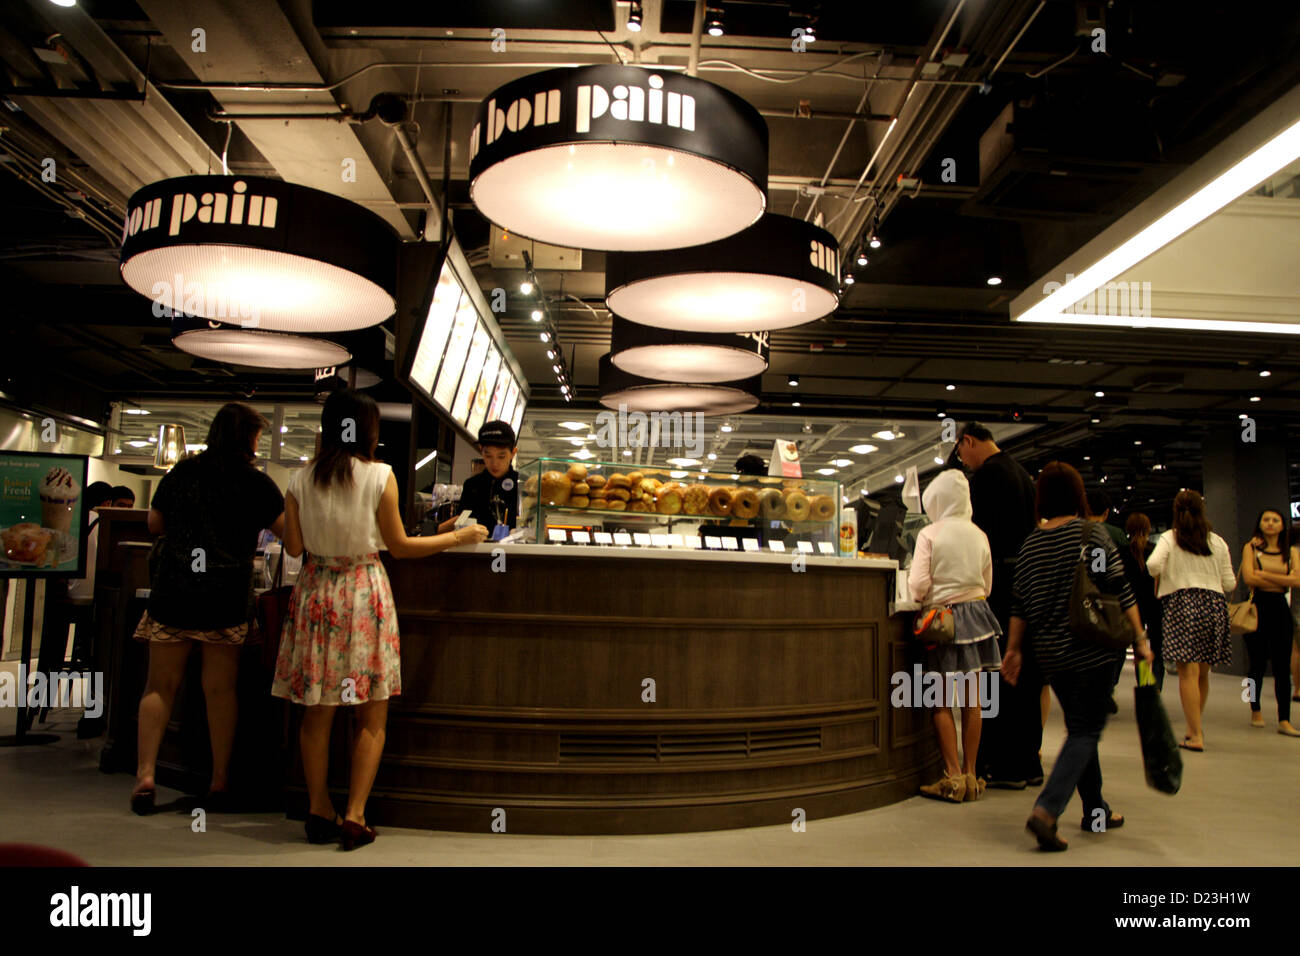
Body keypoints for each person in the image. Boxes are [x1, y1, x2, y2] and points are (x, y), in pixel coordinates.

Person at [272, 389, 488, 850]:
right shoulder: (380, 476)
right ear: (369, 430)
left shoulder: (297, 480)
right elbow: (401, 546)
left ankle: (317, 809)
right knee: (371, 712)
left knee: (316, 712)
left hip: (315, 595)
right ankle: (354, 816)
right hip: (364, 593)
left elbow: (292, 548)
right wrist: (461, 536)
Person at [130, 404, 286, 815]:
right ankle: (218, 781)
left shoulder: (181, 473)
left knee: (159, 687)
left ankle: (145, 775)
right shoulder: (256, 484)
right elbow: (290, 534)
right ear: (248, 439)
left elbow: (154, 524)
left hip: (174, 593)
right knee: (219, 691)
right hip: (224, 598)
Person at [1002, 462, 1149, 851]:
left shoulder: (1031, 543)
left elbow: (1019, 605)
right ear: (1077, 495)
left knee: (1082, 727)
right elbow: (1120, 588)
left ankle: (1095, 809)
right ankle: (1046, 812)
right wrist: (1141, 636)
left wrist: (1014, 650)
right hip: (1093, 648)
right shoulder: (1090, 534)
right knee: (1086, 730)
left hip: (1051, 654)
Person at [952, 421, 1042, 789]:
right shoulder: (1022, 473)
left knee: (997, 672)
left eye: (961, 453)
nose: (964, 462)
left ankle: (1001, 765)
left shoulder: (987, 477)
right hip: (1028, 585)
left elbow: (978, 536)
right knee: (1025, 677)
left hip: (1000, 587)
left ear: (969, 441)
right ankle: (1027, 762)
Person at [908, 469, 1002, 803]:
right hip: (979, 618)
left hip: (945, 621)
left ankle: (952, 777)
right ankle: (972, 774)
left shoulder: (930, 533)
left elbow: (918, 585)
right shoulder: (980, 534)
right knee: (973, 704)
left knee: (940, 701)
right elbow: (987, 585)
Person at [1146, 490, 1236, 752]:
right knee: (1203, 674)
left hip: (1182, 604)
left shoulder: (1170, 538)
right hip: (1214, 605)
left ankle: (1195, 734)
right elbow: (1229, 582)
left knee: (1188, 672)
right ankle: (1193, 728)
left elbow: (1152, 566)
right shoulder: (1217, 541)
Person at [1239, 508, 1300, 736]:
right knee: (1255, 664)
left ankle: (1284, 719)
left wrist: (1265, 576)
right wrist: (1282, 579)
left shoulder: (1290, 551)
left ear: (1282, 525)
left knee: (1282, 667)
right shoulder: (1251, 548)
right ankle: (1254, 708)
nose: (1271, 523)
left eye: (1275, 520)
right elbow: (1249, 577)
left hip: (1280, 610)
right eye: (1266, 519)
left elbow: (1298, 579)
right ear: (1260, 523)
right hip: (1256, 609)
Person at [437, 421, 518, 535]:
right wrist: (431, 532)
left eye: (501, 456)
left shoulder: (522, 485)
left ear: (513, 452)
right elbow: (461, 518)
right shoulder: (472, 485)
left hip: (514, 551)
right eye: (488, 455)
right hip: (477, 550)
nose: (494, 463)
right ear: (481, 450)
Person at [1124, 513, 1165, 691]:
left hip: (1133, 606)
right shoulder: (1155, 550)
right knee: (1158, 649)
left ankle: (1144, 683)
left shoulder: (1123, 552)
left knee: (1139, 649)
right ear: (1148, 529)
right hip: (1156, 604)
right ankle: (1156, 687)